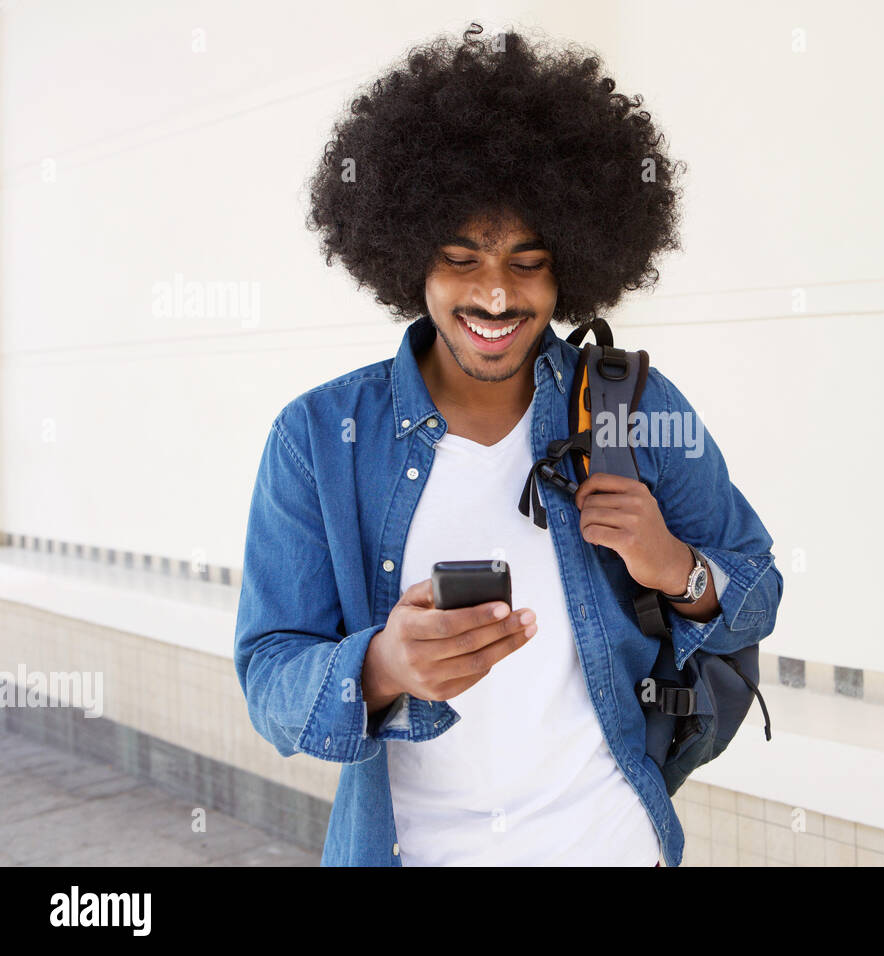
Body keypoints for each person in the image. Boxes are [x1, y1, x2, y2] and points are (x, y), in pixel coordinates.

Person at [234, 23, 782, 867]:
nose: (495, 293)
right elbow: (269, 678)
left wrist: (677, 566)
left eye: (529, 263)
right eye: (462, 259)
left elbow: (759, 590)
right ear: (409, 260)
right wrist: (381, 666)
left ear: (571, 270)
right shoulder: (317, 439)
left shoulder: (633, 409)